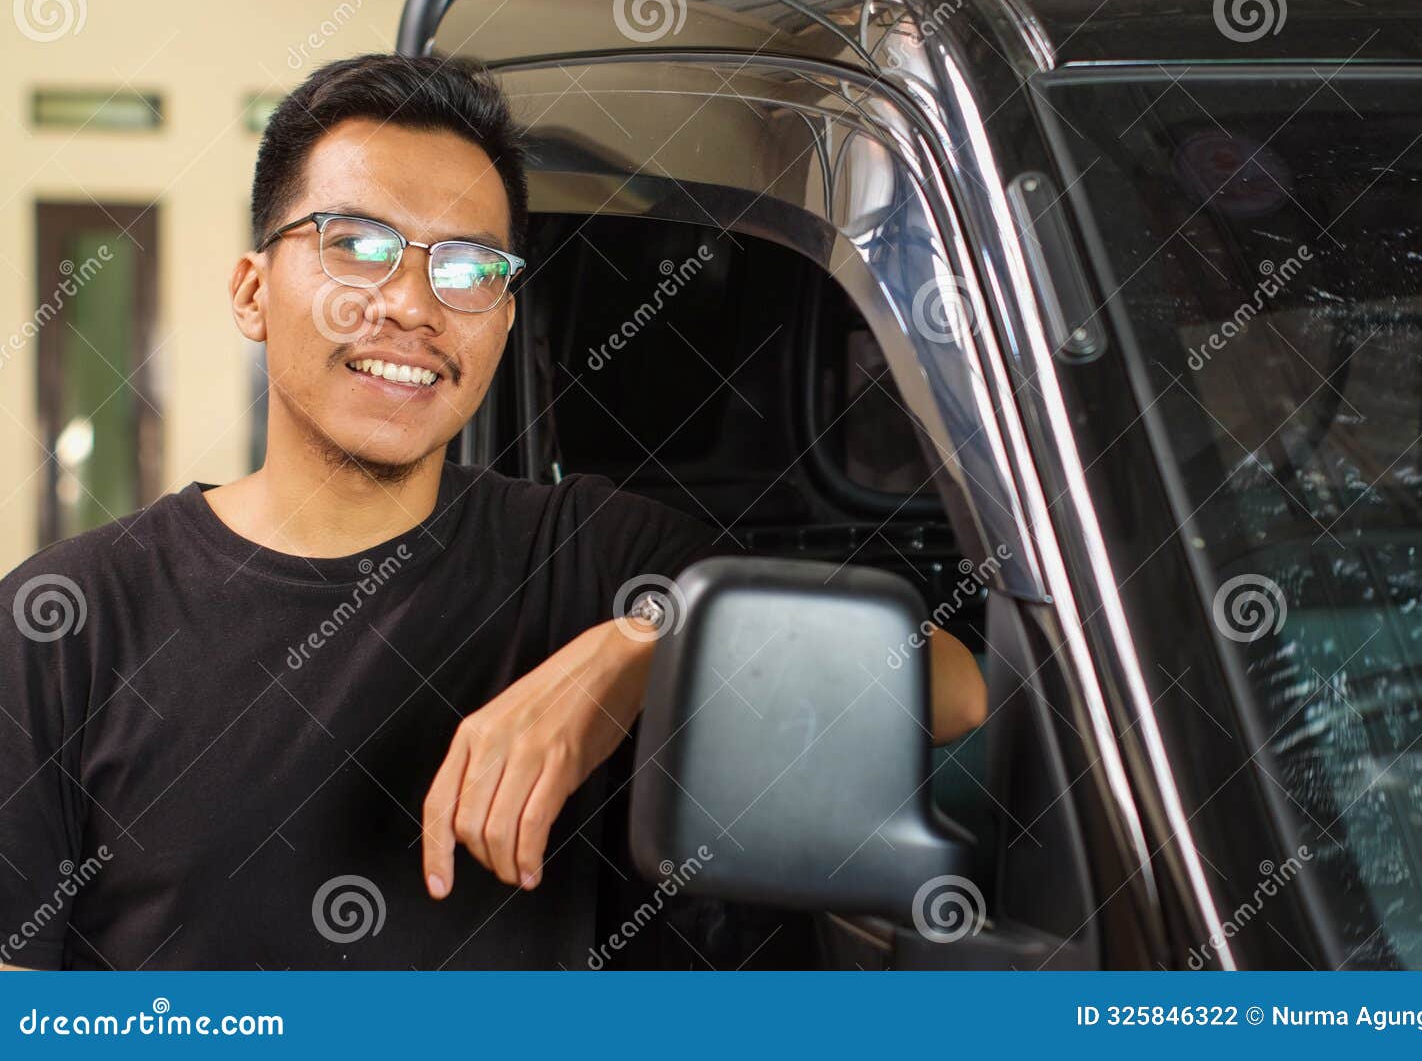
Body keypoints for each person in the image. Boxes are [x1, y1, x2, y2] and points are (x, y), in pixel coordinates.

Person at [0, 53, 986, 970]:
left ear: (504, 319)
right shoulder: (67, 619)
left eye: (469, 269)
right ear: (253, 291)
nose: (413, 307)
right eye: (358, 246)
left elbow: (947, 685)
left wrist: (647, 646)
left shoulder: (594, 556)